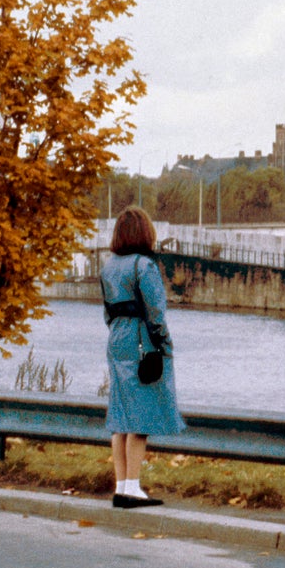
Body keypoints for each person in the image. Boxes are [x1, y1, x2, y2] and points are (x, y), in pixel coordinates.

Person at [101, 206, 185, 508]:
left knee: (121, 416)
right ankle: (134, 488)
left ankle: (121, 486)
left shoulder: (109, 266)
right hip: (142, 341)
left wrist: (120, 331)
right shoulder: (144, 266)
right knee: (141, 417)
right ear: (145, 233)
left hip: (117, 340)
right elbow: (156, 313)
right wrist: (165, 344)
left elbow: (107, 313)